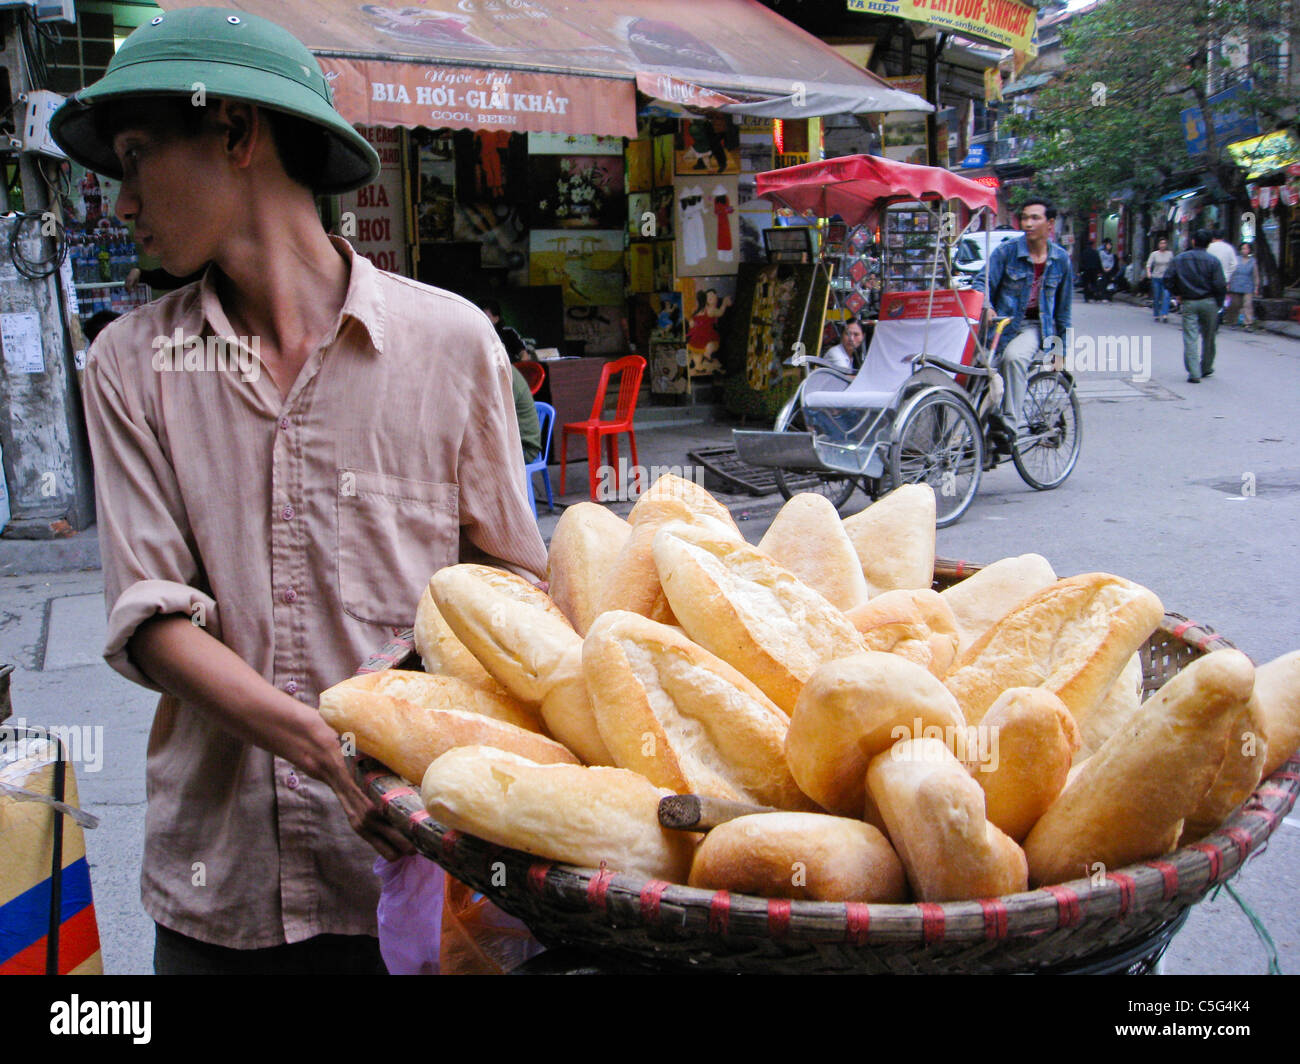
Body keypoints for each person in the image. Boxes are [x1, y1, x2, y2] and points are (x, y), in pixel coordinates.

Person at [50, 7, 547, 974]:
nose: (122, 203)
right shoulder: (130, 364)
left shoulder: (447, 346)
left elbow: (507, 594)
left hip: (414, 873)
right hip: (222, 889)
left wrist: (433, 771)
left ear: (236, 133)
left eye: (140, 154)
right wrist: (331, 751)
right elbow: (150, 619)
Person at [972, 197, 1073, 446]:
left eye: (1035, 218)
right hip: (1000, 325)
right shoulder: (1006, 252)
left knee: (1014, 359)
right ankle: (975, 434)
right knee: (974, 372)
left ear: (1049, 223)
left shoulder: (1060, 260)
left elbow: (1063, 311)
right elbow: (981, 282)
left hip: (1034, 327)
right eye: (1025, 218)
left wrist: (1059, 351)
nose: (1028, 223)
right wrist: (987, 306)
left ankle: (1009, 423)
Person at [1166, 229, 1226, 382]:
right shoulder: (1213, 261)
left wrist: (1177, 293)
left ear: (1193, 241)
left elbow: (1167, 279)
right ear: (1209, 243)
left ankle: (1194, 372)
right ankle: (1206, 367)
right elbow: (1220, 285)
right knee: (1209, 336)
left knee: (1190, 337)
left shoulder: (1180, 259)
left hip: (1189, 301)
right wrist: (1219, 303)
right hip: (1209, 301)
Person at [1225, 243, 1260, 331]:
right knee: (1235, 305)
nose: (1244, 250)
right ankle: (1233, 322)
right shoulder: (1236, 259)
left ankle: (1248, 323)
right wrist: (1228, 283)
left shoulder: (1253, 261)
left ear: (1249, 250)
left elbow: (1255, 275)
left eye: (1246, 249)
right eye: (1242, 248)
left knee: (1247, 305)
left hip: (1248, 285)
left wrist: (1256, 287)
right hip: (1236, 284)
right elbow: (1231, 271)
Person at [1145, 237, 1174, 322]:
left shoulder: (1170, 254)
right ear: (1158, 245)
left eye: (1164, 243)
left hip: (1166, 278)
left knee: (1166, 296)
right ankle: (1156, 314)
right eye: (1161, 243)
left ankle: (1165, 314)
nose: (1163, 245)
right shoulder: (1154, 254)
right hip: (1156, 277)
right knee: (1157, 296)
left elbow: (1173, 265)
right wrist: (1148, 273)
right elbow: (1148, 265)